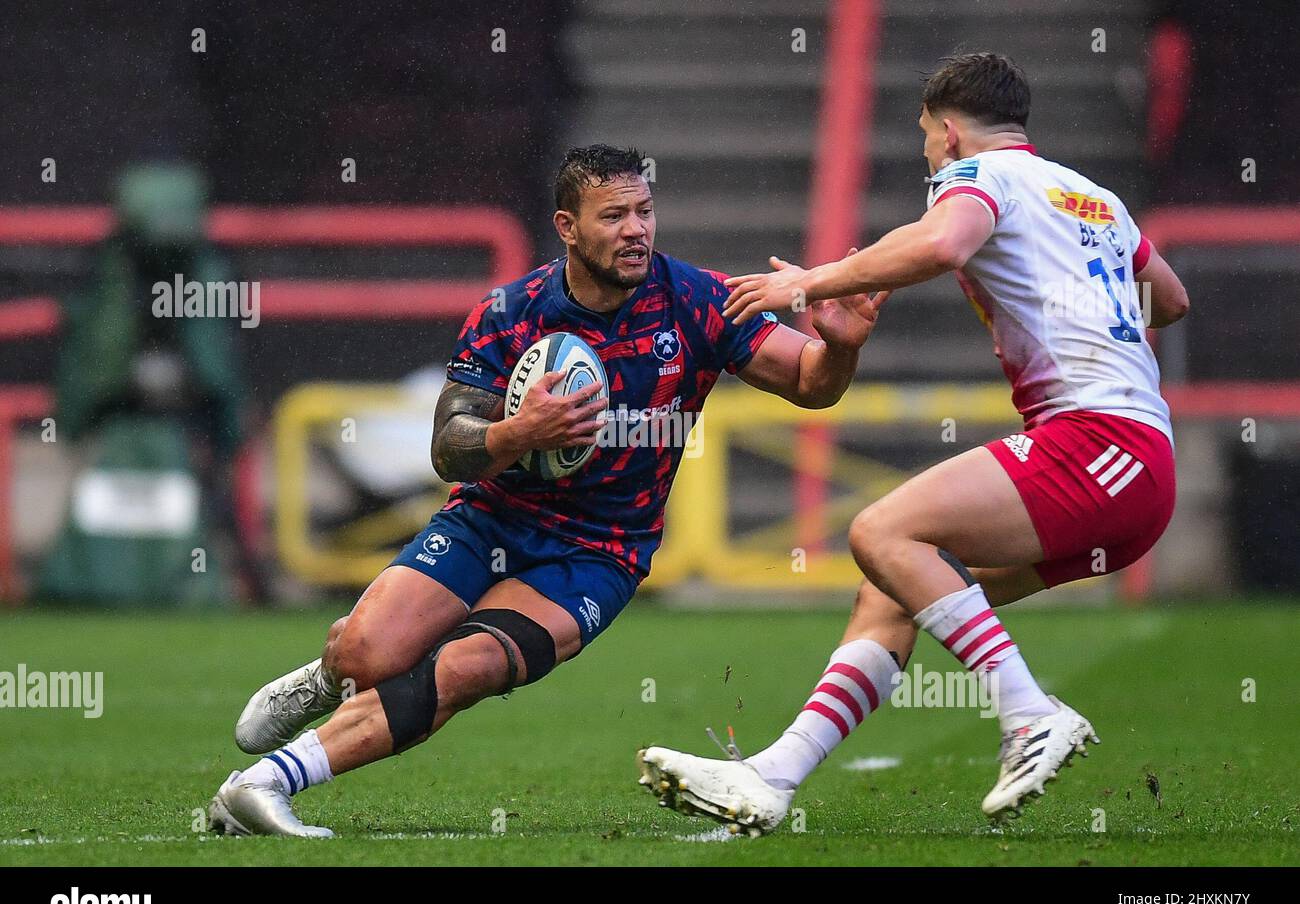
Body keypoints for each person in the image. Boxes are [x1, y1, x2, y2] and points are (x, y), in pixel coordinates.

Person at [207, 144, 889, 837]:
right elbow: (448, 448)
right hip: (491, 519)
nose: (636, 230)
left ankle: (263, 785)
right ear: (567, 226)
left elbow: (810, 384)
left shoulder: (697, 300)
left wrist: (842, 346)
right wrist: (519, 431)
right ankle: (330, 671)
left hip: (598, 554)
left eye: (645, 212)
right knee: (367, 657)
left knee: (464, 666)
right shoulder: (511, 311)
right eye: (614, 215)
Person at [638, 53, 1190, 834]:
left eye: (927, 136)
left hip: (1098, 442)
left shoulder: (978, 179)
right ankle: (774, 775)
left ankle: (1029, 712)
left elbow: (943, 245)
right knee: (892, 586)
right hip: (1140, 466)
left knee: (879, 529)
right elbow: (1169, 298)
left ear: (952, 131)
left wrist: (812, 282)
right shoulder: (1095, 198)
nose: (927, 153)